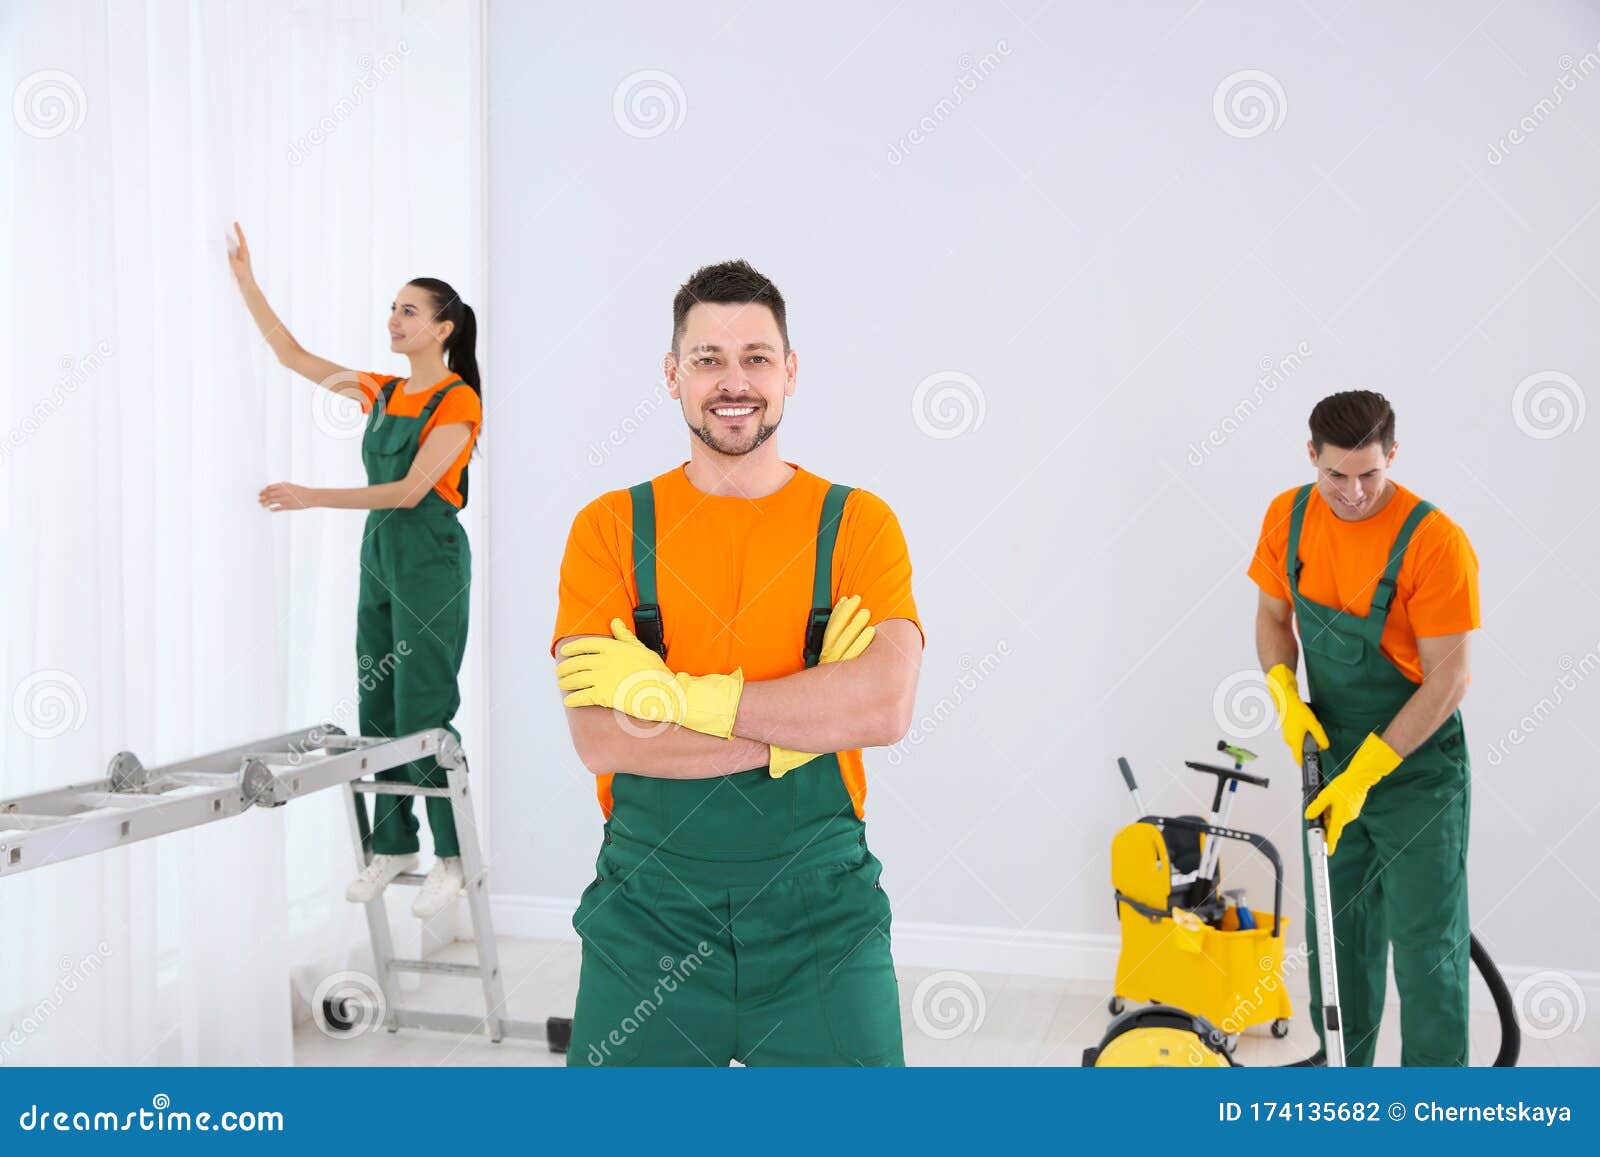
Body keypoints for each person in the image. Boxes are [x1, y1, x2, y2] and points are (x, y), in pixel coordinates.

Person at [550, 259, 925, 1066]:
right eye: (707, 358)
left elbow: (886, 708)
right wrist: (807, 722)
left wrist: (678, 698)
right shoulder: (610, 528)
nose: (734, 380)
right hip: (646, 911)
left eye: (756, 356)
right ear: (672, 374)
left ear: (790, 371)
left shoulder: (857, 524)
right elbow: (605, 740)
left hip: (822, 913)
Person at [227, 222, 482, 919]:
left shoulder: (457, 402)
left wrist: (311, 496)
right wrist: (246, 279)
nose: (393, 320)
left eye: (408, 310)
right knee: (376, 706)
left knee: (424, 706)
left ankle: (453, 857)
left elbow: (409, 491)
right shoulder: (380, 391)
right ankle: (392, 844)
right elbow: (291, 355)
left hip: (427, 553)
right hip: (380, 552)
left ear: (443, 328)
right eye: (392, 307)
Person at [1249, 390, 1479, 1065]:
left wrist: (1369, 774)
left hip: (1417, 774)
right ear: (1311, 455)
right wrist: (1285, 695)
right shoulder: (1288, 518)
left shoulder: (1434, 541)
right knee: (1337, 938)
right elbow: (1271, 617)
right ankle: (1350, 1093)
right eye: (1337, 475)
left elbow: (1450, 678)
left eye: (1370, 475)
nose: (1353, 492)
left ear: (1393, 456)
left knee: (1426, 951)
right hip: (1329, 758)